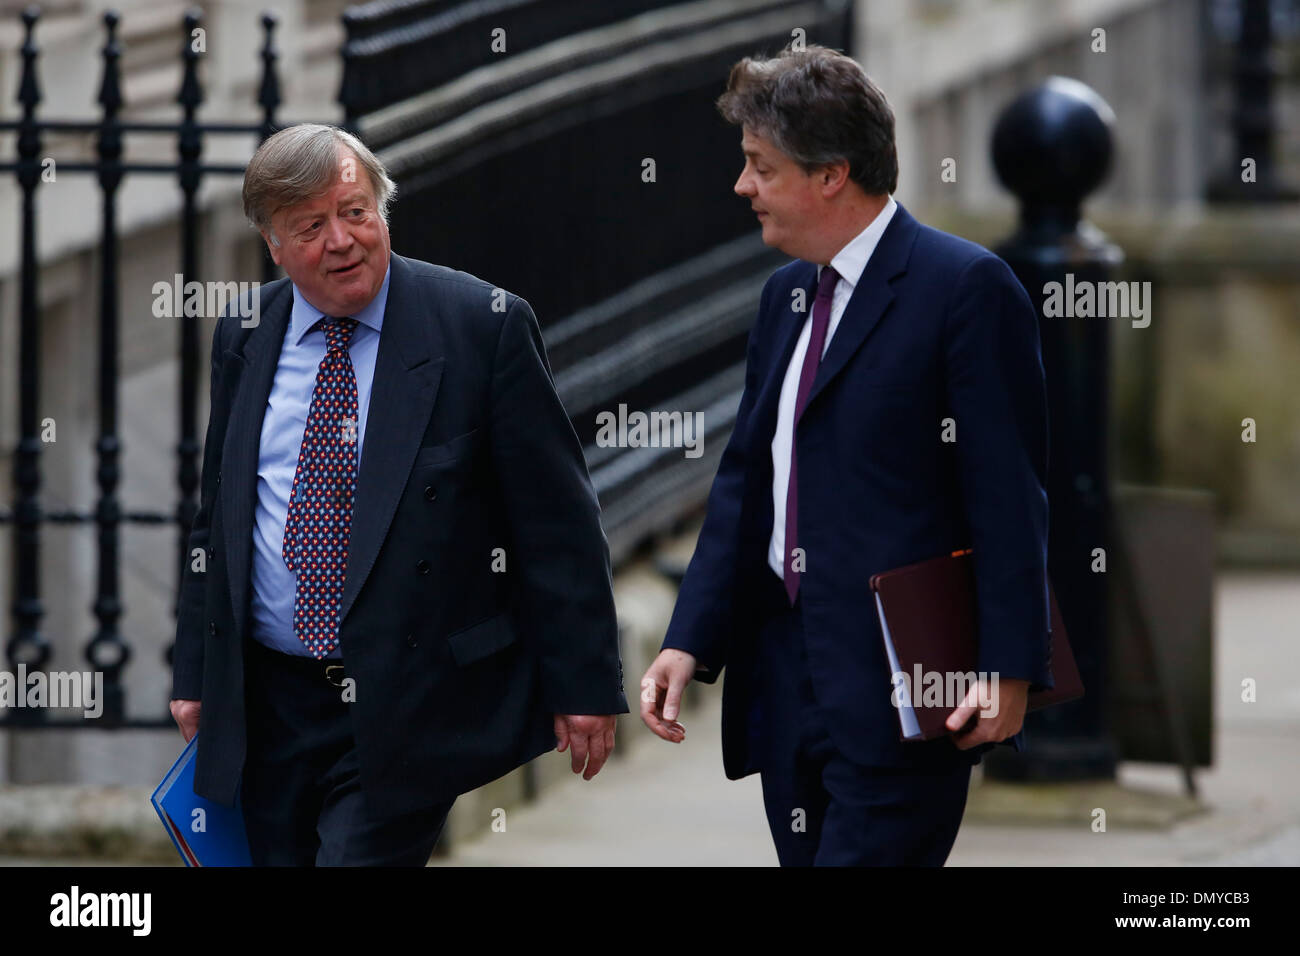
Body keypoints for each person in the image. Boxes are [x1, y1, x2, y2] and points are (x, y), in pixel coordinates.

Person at [639, 45, 1052, 866]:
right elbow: (749, 478)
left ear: (831, 174)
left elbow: (1007, 493)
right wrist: (689, 637)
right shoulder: (786, 294)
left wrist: (1009, 667)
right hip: (787, 682)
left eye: (760, 165)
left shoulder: (964, 288)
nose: (741, 185)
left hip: (902, 686)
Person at [170, 123, 627, 866]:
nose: (343, 239)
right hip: (266, 705)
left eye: (356, 211)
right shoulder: (246, 333)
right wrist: (195, 673)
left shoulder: (482, 328)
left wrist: (584, 682)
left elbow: (556, 523)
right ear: (274, 246)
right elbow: (213, 524)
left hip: (402, 701)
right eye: (311, 226)